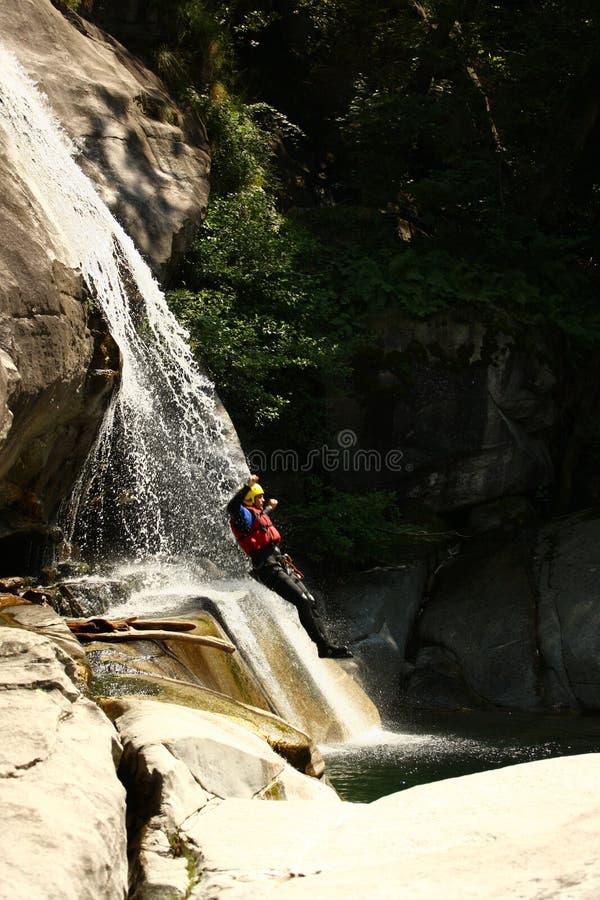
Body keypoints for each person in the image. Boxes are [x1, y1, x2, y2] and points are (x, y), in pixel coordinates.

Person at [227, 474, 352, 658]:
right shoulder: (241, 514)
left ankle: (327, 645)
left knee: (310, 600)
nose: (263, 499)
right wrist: (247, 486)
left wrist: (269, 507)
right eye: (259, 496)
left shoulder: (254, 514)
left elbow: (259, 523)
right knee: (301, 600)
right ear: (249, 498)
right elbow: (232, 507)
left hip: (279, 562)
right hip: (266, 567)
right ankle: (322, 645)